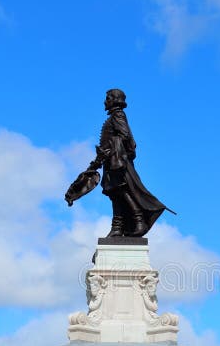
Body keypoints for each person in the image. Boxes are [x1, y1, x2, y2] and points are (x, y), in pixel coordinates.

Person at [65, 88, 172, 237]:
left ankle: (138, 221)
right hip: (111, 162)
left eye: (108, 98)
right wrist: (99, 160)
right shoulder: (114, 116)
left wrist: (109, 150)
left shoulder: (118, 115)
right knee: (115, 193)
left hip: (117, 163)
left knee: (121, 191)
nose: (105, 102)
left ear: (115, 100)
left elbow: (125, 135)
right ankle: (117, 227)